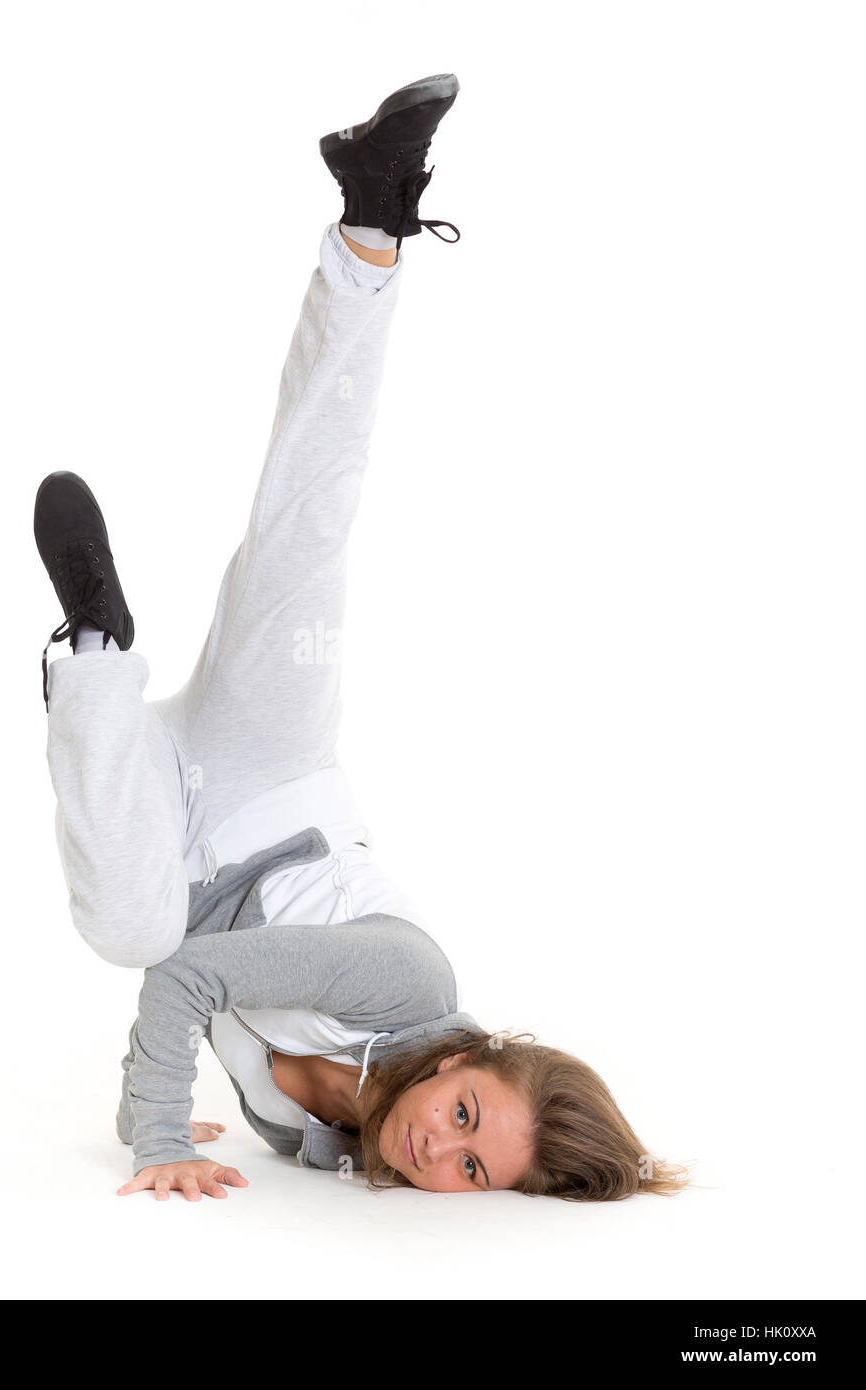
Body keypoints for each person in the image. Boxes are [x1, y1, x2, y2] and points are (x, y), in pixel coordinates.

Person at [35, 74, 691, 1204]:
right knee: (309, 523)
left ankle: (94, 651)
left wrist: (182, 1104)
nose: (445, 1148)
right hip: (268, 777)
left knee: (131, 921)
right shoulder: (407, 978)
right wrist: (153, 1134)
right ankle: (374, 218)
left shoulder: (318, 1142)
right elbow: (194, 980)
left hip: (169, 855)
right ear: (458, 1058)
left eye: (475, 1167)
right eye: (467, 1115)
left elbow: (178, 963)